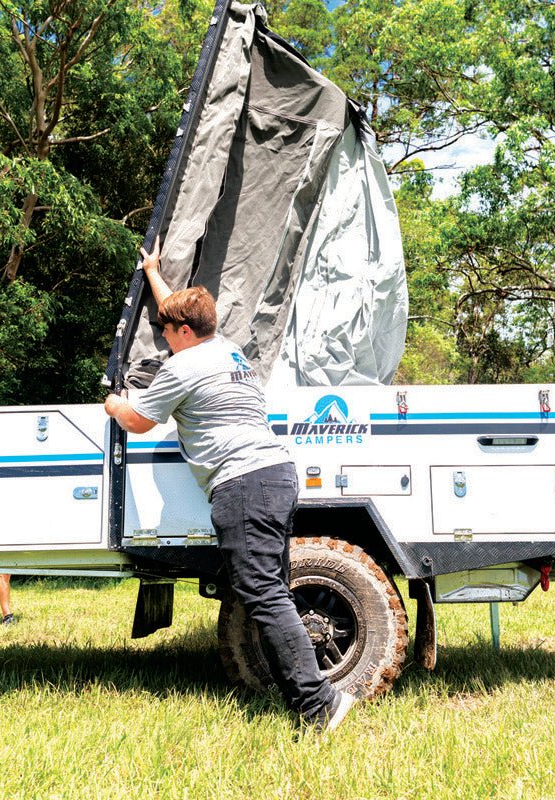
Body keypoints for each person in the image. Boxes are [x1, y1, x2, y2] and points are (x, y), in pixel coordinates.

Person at [103, 239, 354, 733]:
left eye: (165, 330)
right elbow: (181, 309)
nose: (163, 336)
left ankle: (321, 703)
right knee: (272, 589)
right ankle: (302, 695)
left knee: (261, 592)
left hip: (243, 484)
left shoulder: (183, 367)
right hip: (277, 474)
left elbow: (137, 421)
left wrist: (113, 404)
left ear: (182, 332)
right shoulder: (230, 351)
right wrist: (153, 271)